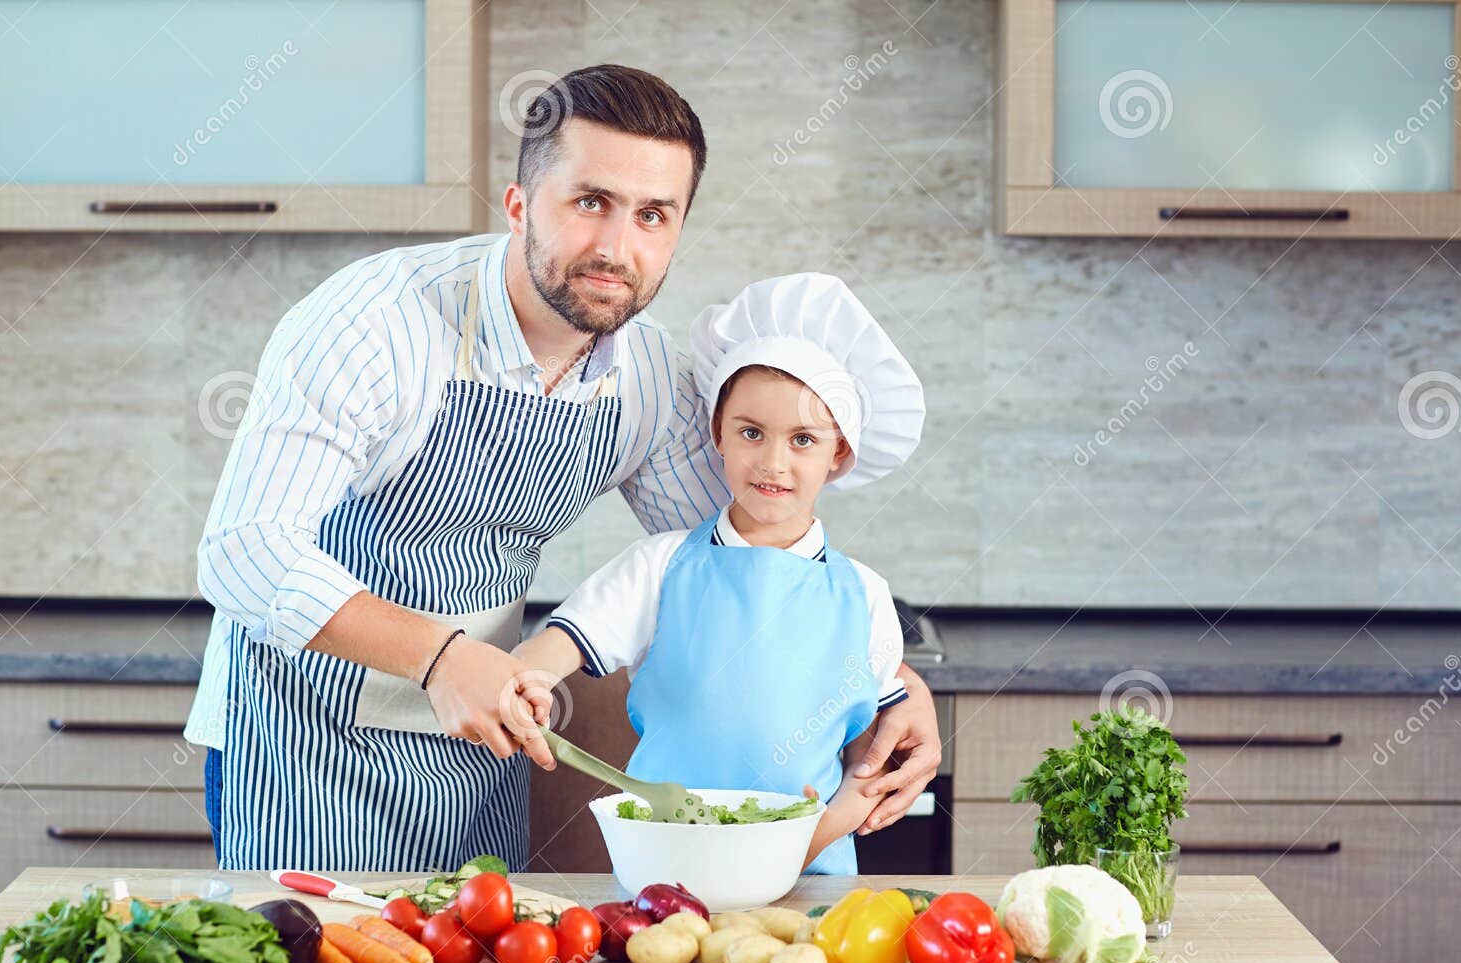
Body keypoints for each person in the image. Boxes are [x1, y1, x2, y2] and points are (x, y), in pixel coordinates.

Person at [186, 64, 943, 872]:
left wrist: (896, 683)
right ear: (519, 205)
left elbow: (736, 562)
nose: (618, 248)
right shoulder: (377, 323)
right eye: (590, 202)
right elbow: (243, 549)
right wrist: (441, 658)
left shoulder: (648, 379)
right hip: (304, 732)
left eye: (653, 215)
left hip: (483, 734)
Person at [509, 273, 923, 873]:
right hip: (667, 862)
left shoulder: (864, 594)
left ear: (839, 453)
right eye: (751, 432)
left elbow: (872, 754)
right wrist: (519, 685)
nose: (774, 462)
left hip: (813, 871)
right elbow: (549, 654)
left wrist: (817, 835)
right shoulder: (658, 566)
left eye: (803, 439)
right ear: (717, 434)